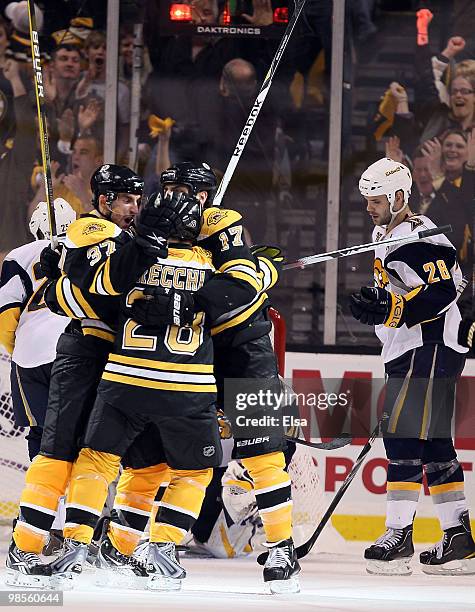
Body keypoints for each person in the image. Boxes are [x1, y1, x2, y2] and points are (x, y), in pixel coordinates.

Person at [45, 166, 259, 591]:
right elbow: (244, 296)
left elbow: (94, 292)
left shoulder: (130, 261)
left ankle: (75, 544)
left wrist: (59, 273)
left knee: (96, 460)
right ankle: (162, 549)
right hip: (190, 386)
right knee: (198, 472)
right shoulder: (211, 266)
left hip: (124, 380)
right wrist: (260, 266)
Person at [5, 164, 161, 588]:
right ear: (105, 200)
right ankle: (26, 547)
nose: (135, 207)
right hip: (83, 353)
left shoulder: (127, 238)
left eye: (138, 199)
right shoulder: (91, 229)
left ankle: (96, 544)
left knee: (114, 455)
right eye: (127, 199)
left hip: (119, 358)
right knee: (58, 450)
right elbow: (97, 290)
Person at [349, 157, 475, 576]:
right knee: (434, 443)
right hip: (411, 344)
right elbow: (404, 291)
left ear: (400, 197)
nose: (371, 206)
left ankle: (398, 535)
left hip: (431, 343)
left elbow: (442, 293)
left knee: (404, 437)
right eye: (368, 199)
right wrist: (382, 306)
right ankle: (458, 539)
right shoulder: (383, 233)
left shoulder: (419, 237)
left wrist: (391, 308)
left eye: (378, 199)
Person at [0, 198, 75, 459]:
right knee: (79, 429)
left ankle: (45, 498)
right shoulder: (88, 249)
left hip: (30, 355)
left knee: (40, 431)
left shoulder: (18, 255)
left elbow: (6, 315)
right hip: (76, 349)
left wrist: (17, 348)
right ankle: (85, 498)